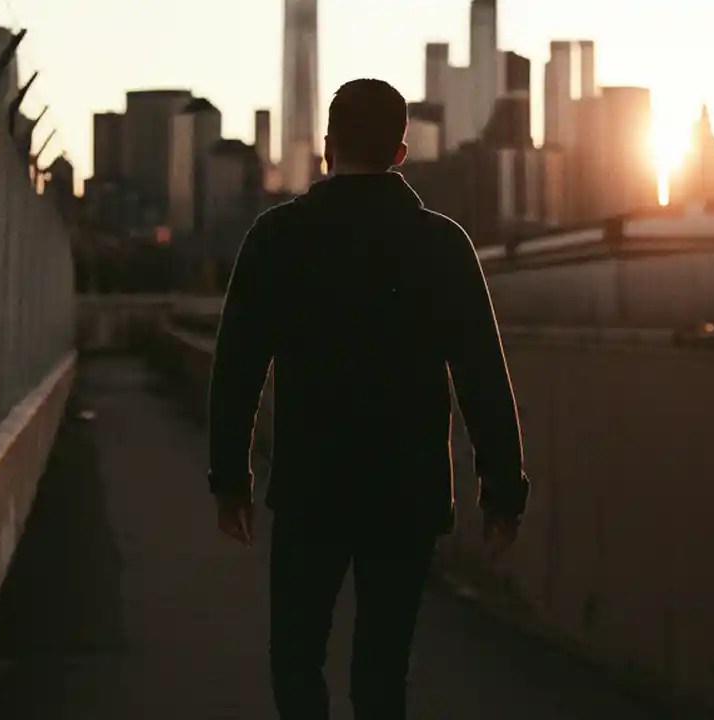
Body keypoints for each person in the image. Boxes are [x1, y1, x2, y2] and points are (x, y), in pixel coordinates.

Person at [206, 79, 529, 720]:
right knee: (383, 671)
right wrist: (502, 490)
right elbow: (482, 375)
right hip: (406, 493)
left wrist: (230, 480)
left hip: (311, 487)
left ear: (327, 147)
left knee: (296, 659)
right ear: (401, 153)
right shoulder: (442, 244)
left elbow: (237, 368)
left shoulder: (277, 238)